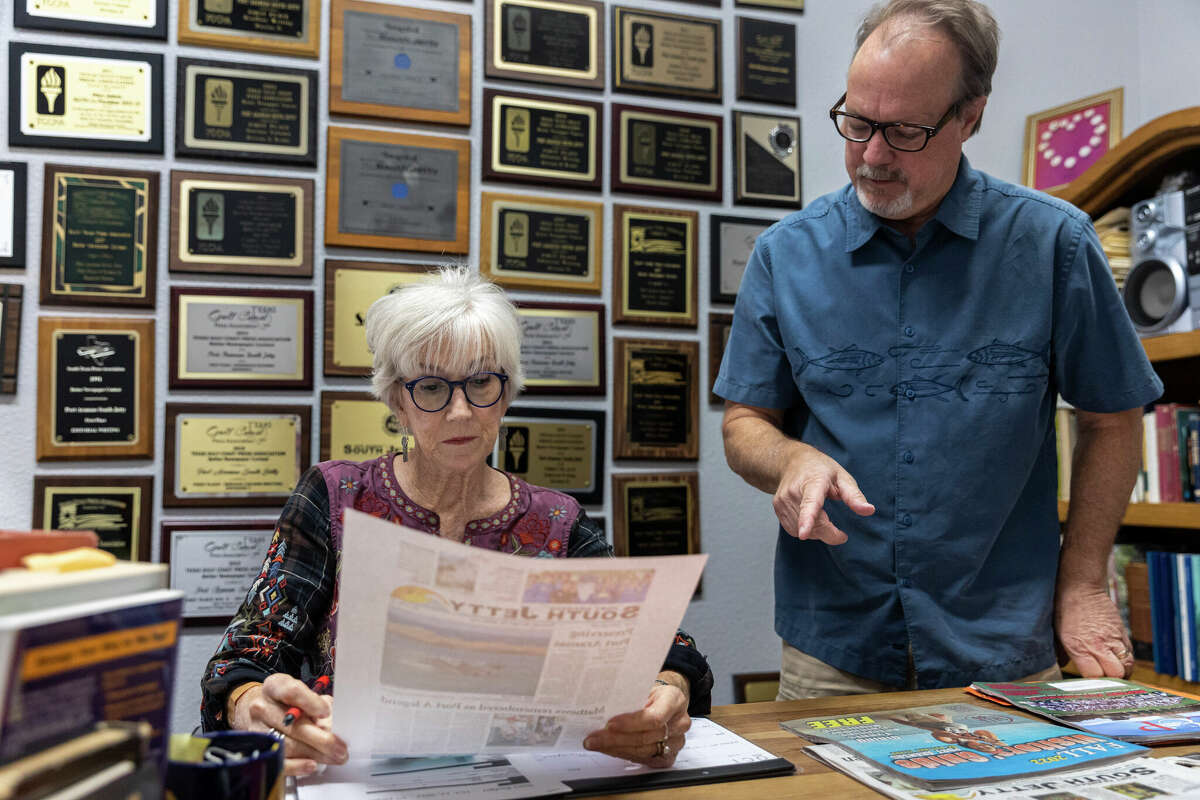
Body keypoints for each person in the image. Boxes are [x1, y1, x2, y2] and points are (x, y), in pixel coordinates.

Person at [714, 0, 1162, 698]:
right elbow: (745, 426)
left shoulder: (1056, 245)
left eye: (905, 132)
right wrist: (792, 458)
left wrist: (1081, 586)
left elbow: (1112, 419)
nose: (872, 155)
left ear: (969, 117)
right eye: (857, 122)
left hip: (1006, 640)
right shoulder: (784, 256)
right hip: (834, 642)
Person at [201, 266, 713, 775]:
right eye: (431, 387)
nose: (462, 411)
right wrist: (255, 709)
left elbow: (667, 643)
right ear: (397, 400)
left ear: (507, 392)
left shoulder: (556, 520)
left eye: (481, 381)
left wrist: (670, 689)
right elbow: (243, 659)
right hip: (352, 778)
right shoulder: (336, 496)